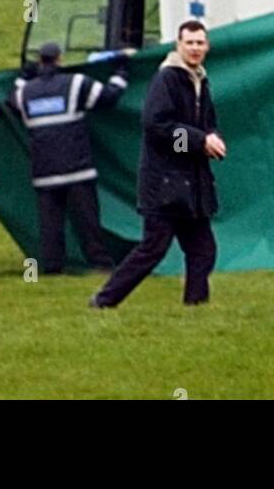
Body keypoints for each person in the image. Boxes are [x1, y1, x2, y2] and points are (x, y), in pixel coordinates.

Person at [90, 20, 225, 310]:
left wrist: (212, 137)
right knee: (153, 249)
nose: (195, 48)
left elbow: (207, 123)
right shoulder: (167, 79)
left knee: (203, 250)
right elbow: (156, 127)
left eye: (200, 43)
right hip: (164, 184)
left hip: (192, 184)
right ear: (178, 45)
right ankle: (104, 300)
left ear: (207, 46)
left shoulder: (200, 79)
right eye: (189, 43)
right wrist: (198, 141)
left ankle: (195, 307)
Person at [10, 41, 131, 275]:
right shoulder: (75, 83)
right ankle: (101, 263)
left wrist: (22, 77)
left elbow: (12, 102)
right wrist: (121, 71)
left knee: (50, 223)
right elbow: (109, 96)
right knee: (87, 221)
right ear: (60, 59)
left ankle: (53, 266)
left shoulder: (24, 91)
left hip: (44, 170)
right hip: (77, 167)